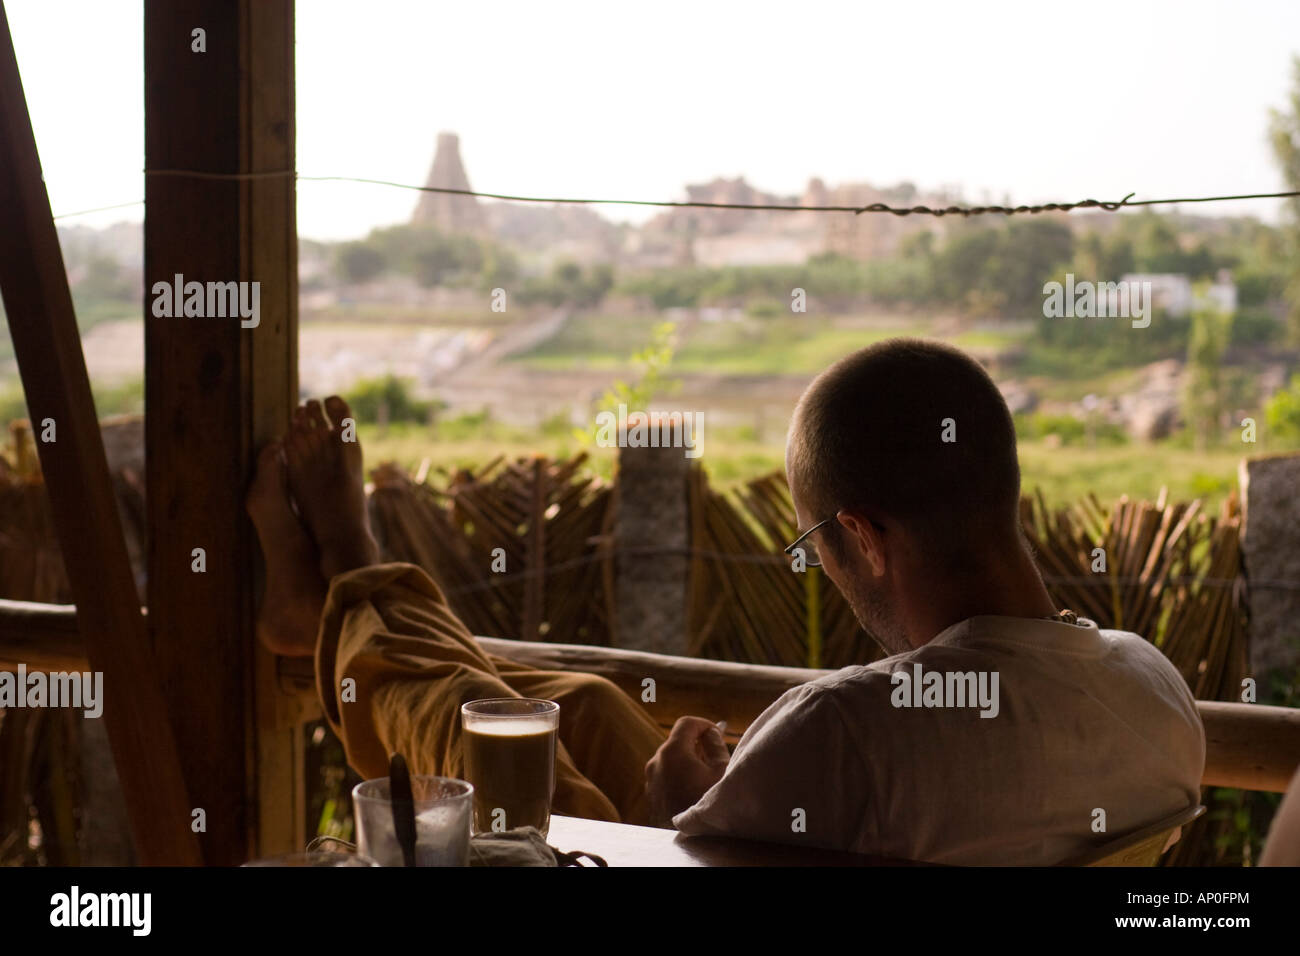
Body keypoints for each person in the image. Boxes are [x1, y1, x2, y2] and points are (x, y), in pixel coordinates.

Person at [249, 339, 1205, 864]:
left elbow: (680, 856)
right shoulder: (1157, 690)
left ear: (865, 537)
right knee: (575, 705)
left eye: (816, 543)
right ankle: (342, 612)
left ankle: (352, 571)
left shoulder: (848, 729)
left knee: (481, 735)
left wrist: (680, 806)